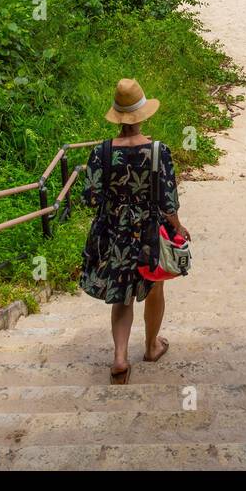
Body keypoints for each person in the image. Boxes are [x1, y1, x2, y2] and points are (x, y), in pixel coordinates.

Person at [79, 78, 190, 385]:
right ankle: (152, 346)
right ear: (143, 115)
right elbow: (168, 200)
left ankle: (119, 358)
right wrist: (178, 226)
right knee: (155, 287)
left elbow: (89, 197)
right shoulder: (158, 151)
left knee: (121, 297)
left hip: (113, 231)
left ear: (117, 116)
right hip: (149, 231)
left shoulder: (102, 151)